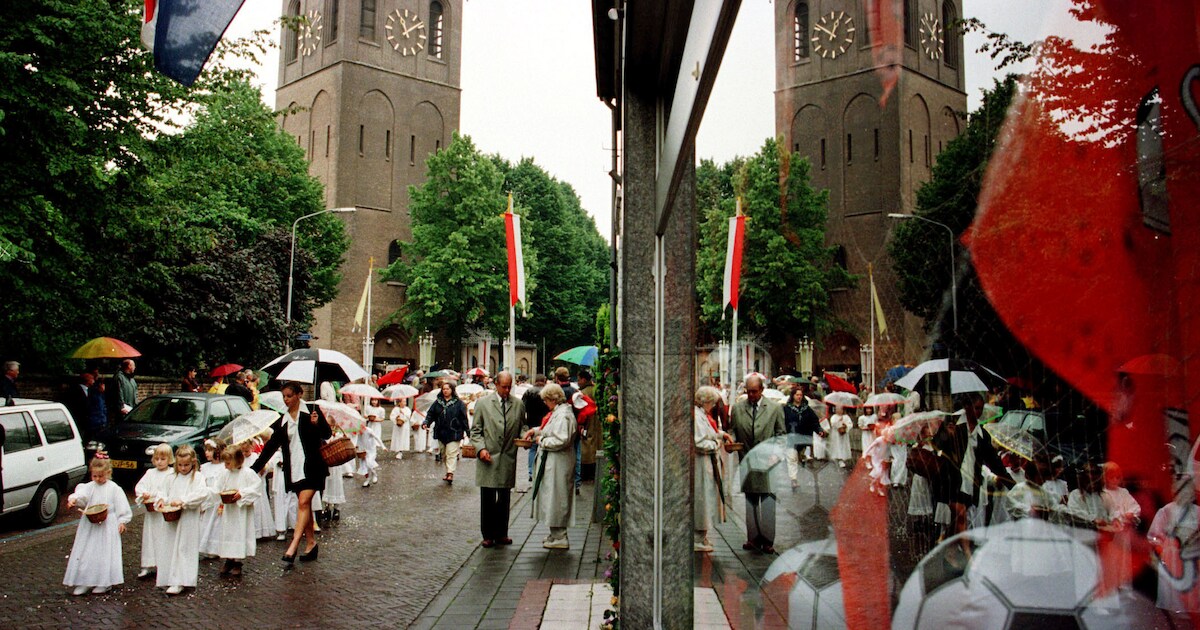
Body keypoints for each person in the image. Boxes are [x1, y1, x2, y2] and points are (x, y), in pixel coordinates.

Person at [251, 381, 332, 568]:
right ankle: (311, 543)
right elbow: (271, 446)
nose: (286, 400)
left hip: (313, 467)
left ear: (299, 394)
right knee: (305, 506)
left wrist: (316, 423)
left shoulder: (313, 410)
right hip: (294, 469)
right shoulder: (283, 420)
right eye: (284, 397)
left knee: (303, 503)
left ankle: (293, 546)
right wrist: (254, 468)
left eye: (289, 396)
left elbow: (327, 434)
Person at [729, 375, 786, 554]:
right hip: (747, 462)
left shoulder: (775, 408)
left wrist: (776, 455)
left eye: (754, 391)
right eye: (748, 391)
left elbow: (781, 435)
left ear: (761, 390)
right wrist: (731, 441)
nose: (751, 395)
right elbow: (732, 430)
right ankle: (753, 539)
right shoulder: (738, 409)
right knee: (751, 502)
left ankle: (768, 541)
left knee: (768, 502)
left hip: (769, 463)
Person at [63, 454, 132, 595]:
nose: (98, 479)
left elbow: (122, 507)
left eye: (101, 476)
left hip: (108, 524)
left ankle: (104, 582)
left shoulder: (114, 488)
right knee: (87, 551)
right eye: (95, 476)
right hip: (90, 525)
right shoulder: (89, 487)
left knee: (104, 553)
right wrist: (74, 500)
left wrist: (122, 521)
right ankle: (85, 581)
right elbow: (82, 496)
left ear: (108, 473)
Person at [471, 371, 525, 548]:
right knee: (487, 497)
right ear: (496, 384)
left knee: (504, 498)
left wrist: (526, 437)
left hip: (507, 456)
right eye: (504, 387)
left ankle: (502, 533)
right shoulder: (483, 404)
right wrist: (481, 449)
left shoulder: (518, 404)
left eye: (510, 386)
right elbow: (476, 431)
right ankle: (487, 535)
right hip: (488, 457)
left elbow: (522, 427)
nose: (507, 390)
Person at [523, 383, 576, 549]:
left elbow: (561, 438)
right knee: (552, 497)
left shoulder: (564, 415)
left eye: (546, 400)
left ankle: (560, 535)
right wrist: (536, 431)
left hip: (559, 463)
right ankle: (555, 533)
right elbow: (551, 429)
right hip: (554, 462)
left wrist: (542, 441)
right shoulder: (559, 413)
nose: (545, 403)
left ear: (553, 399)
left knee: (558, 497)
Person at [156, 445, 211, 594]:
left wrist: (183, 501)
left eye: (186, 465)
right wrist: (162, 500)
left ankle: (181, 580)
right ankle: (169, 577)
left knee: (184, 547)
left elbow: (202, 494)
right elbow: (162, 492)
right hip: (172, 518)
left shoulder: (198, 477)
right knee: (171, 544)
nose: (183, 468)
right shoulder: (171, 477)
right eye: (180, 465)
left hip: (188, 517)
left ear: (193, 463)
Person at [213, 446, 261, 576]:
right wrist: (218, 494)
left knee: (240, 533)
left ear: (238, 460)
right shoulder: (225, 473)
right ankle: (229, 559)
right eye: (225, 463)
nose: (226, 466)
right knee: (228, 533)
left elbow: (256, 487)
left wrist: (243, 494)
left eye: (228, 463)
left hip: (241, 511)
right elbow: (217, 487)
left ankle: (238, 561)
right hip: (229, 510)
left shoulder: (248, 473)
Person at [694, 385, 731, 552]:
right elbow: (699, 442)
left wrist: (720, 435)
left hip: (708, 464)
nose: (714, 406)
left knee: (707, 498)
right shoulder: (696, 416)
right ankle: (697, 537)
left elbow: (708, 433)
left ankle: (702, 535)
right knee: (702, 500)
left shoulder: (702, 415)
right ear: (706, 402)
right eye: (713, 403)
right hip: (702, 463)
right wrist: (717, 444)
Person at [134, 443, 174, 580]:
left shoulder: (172, 474)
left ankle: (164, 565)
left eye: (163, 459)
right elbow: (140, 486)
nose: (159, 462)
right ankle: (147, 565)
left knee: (164, 537)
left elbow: (172, 491)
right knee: (150, 537)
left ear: (169, 459)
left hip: (164, 513)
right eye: (156, 459)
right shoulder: (150, 473)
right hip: (152, 514)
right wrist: (144, 493)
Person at [424, 382, 468, 484]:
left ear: (452, 390)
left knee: (451, 453)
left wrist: (468, 432)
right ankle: (448, 470)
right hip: (441, 432)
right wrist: (426, 422)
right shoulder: (438, 402)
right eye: (444, 389)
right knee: (444, 454)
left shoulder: (459, 403)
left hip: (455, 432)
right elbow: (430, 414)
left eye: (447, 389)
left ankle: (450, 473)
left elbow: (464, 419)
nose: (445, 391)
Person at [522, 374, 550, 485]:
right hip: (545, 423)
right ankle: (541, 471)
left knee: (533, 449)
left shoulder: (529, 392)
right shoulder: (547, 392)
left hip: (532, 423)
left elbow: (522, 407)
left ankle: (530, 472)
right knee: (543, 447)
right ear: (544, 381)